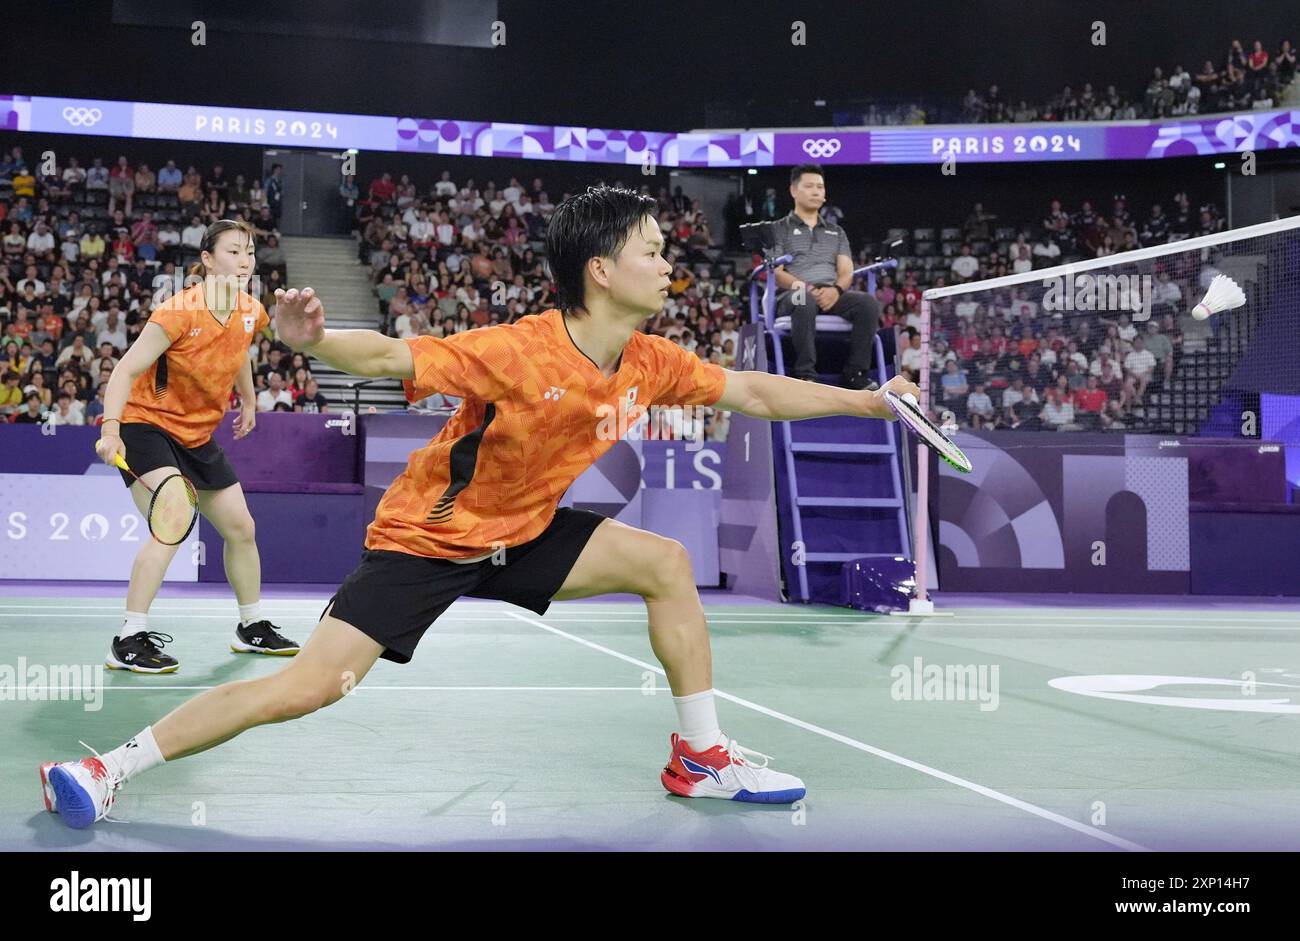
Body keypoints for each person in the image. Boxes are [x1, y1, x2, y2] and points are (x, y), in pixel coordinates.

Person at [40, 184, 921, 828]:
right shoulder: (518, 349)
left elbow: (755, 392)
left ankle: (701, 754)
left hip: (525, 533)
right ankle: (109, 768)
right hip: (430, 539)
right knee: (308, 687)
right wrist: (318, 341)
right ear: (601, 270)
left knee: (666, 563)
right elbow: (395, 357)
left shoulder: (652, 360)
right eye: (652, 250)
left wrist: (870, 400)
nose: (668, 264)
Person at [79, 220, 301, 680]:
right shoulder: (178, 312)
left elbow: (240, 348)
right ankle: (129, 638)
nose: (245, 261)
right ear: (207, 260)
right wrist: (111, 429)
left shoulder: (250, 309)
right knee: (173, 520)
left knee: (241, 528)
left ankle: (251, 626)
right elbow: (123, 371)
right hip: (146, 427)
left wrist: (249, 398)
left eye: (250, 252)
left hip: (197, 435)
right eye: (233, 252)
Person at [771, 164, 880, 389]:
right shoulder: (779, 229)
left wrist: (836, 290)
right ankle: (805, 375)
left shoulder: (836, 232)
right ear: (793, 190)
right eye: (809, 186)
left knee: (867, 303)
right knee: (804, 299)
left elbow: (846, 271)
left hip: (831, 293)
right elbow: (778, 273)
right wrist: (808, 288)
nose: (816, 191)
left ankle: (855, 374)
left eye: (820, 187)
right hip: (795, 293)